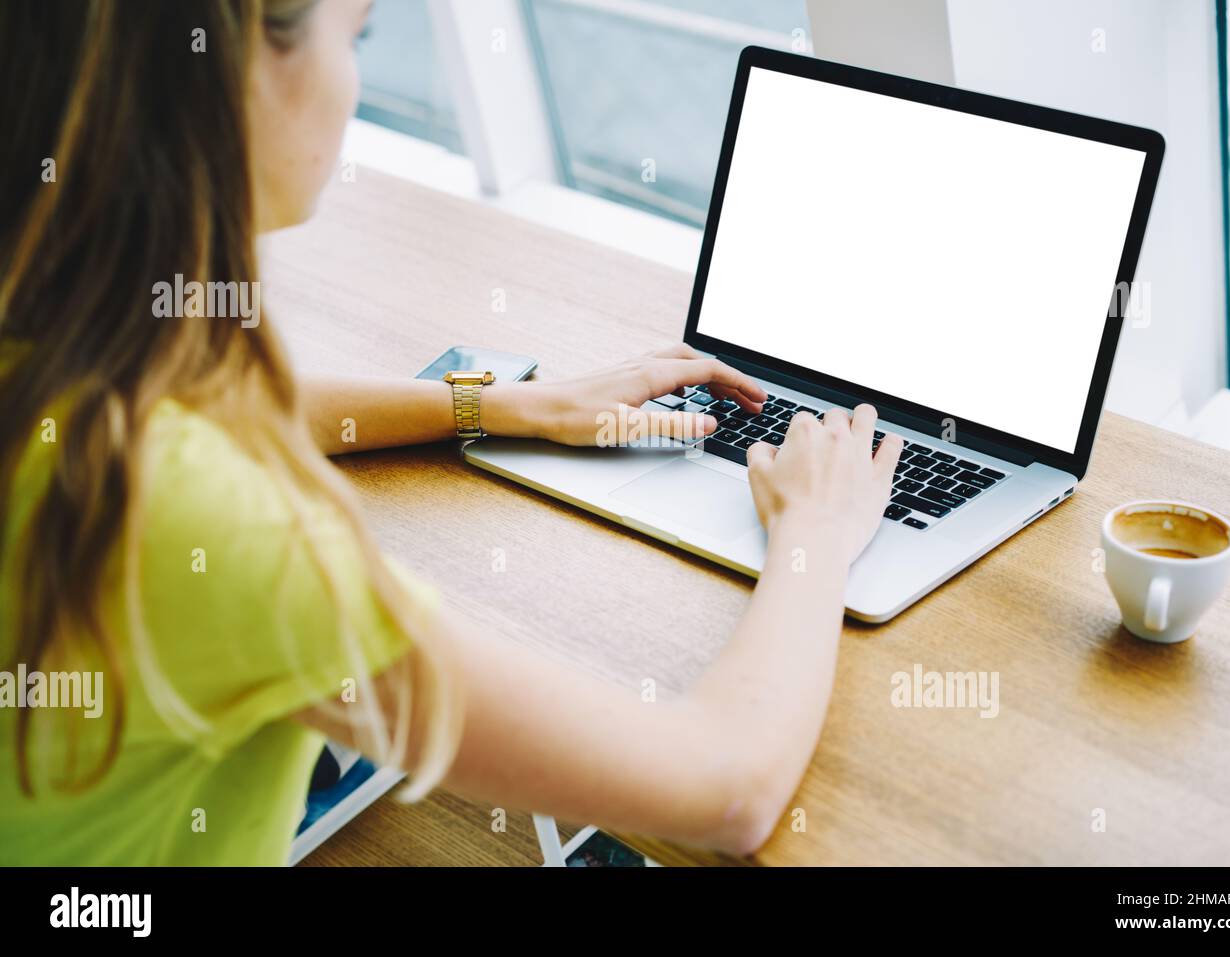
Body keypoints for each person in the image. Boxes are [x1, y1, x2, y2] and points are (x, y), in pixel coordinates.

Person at [0, 0, 902, 865]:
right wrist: (815, 535)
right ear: (233, 74)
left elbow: (208, 406)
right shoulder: (212, 528)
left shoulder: (55, 346)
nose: (353, 80)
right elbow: (727, 786)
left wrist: (496, 405)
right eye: (359, 33)